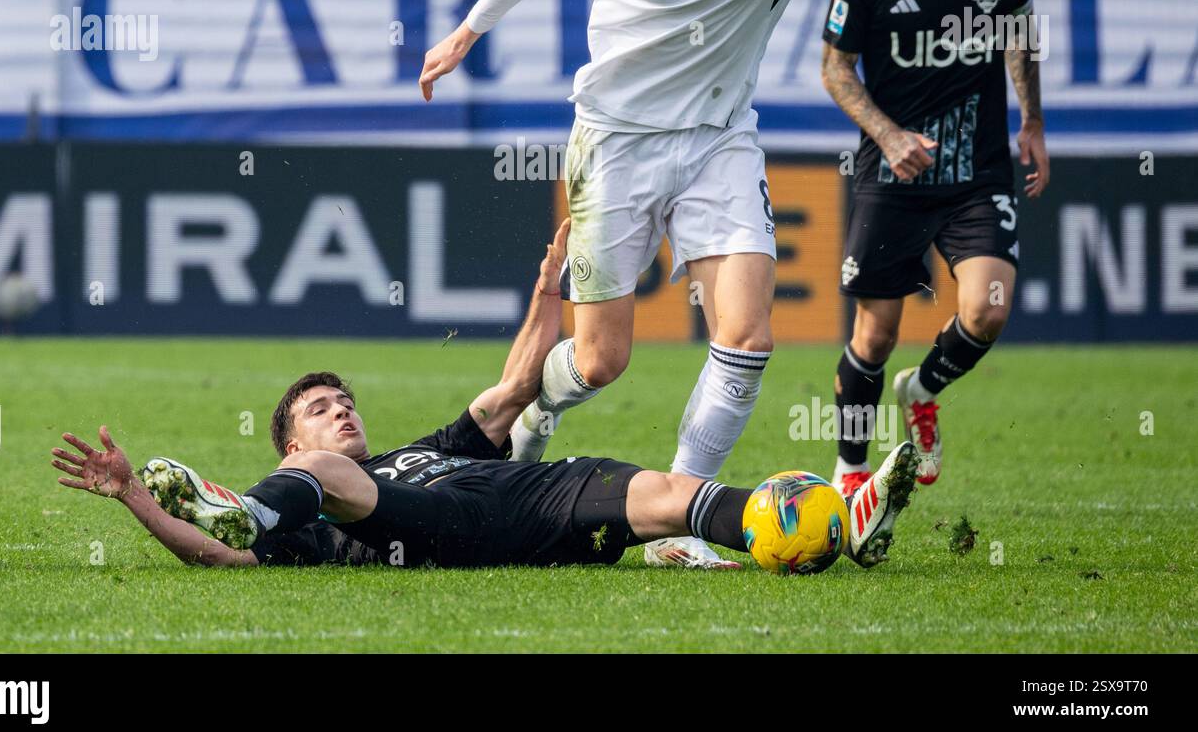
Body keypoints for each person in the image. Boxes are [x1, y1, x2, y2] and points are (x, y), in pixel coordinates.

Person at [417, 0, 919, 568]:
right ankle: (534, 415)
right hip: (613, 141)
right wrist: (467, 32)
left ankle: (679, 521)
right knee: (600, 359)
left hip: (719, 138)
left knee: (748, 332)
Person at [51, 221, 919, 570]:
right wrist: (134, 497)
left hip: (524, 506)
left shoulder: (418, 451)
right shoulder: (320, 501)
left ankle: (835, 526)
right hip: (418, 531)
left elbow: (508, 394)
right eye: (319, 407)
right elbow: (226, 559)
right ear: (289, 443)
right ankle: (235, 502)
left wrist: (549, 291)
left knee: (668, 496)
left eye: (343, 399)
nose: (341, 409)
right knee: (321, 493)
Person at [819, 0, 1046, 495]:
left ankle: (922, 389)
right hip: (892, 173)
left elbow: (1020, 38)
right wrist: (889, 137)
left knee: (988, 308)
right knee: (876, 333)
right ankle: (851, 468)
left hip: (976, 173)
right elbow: (835, 69)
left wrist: (1032, 119)